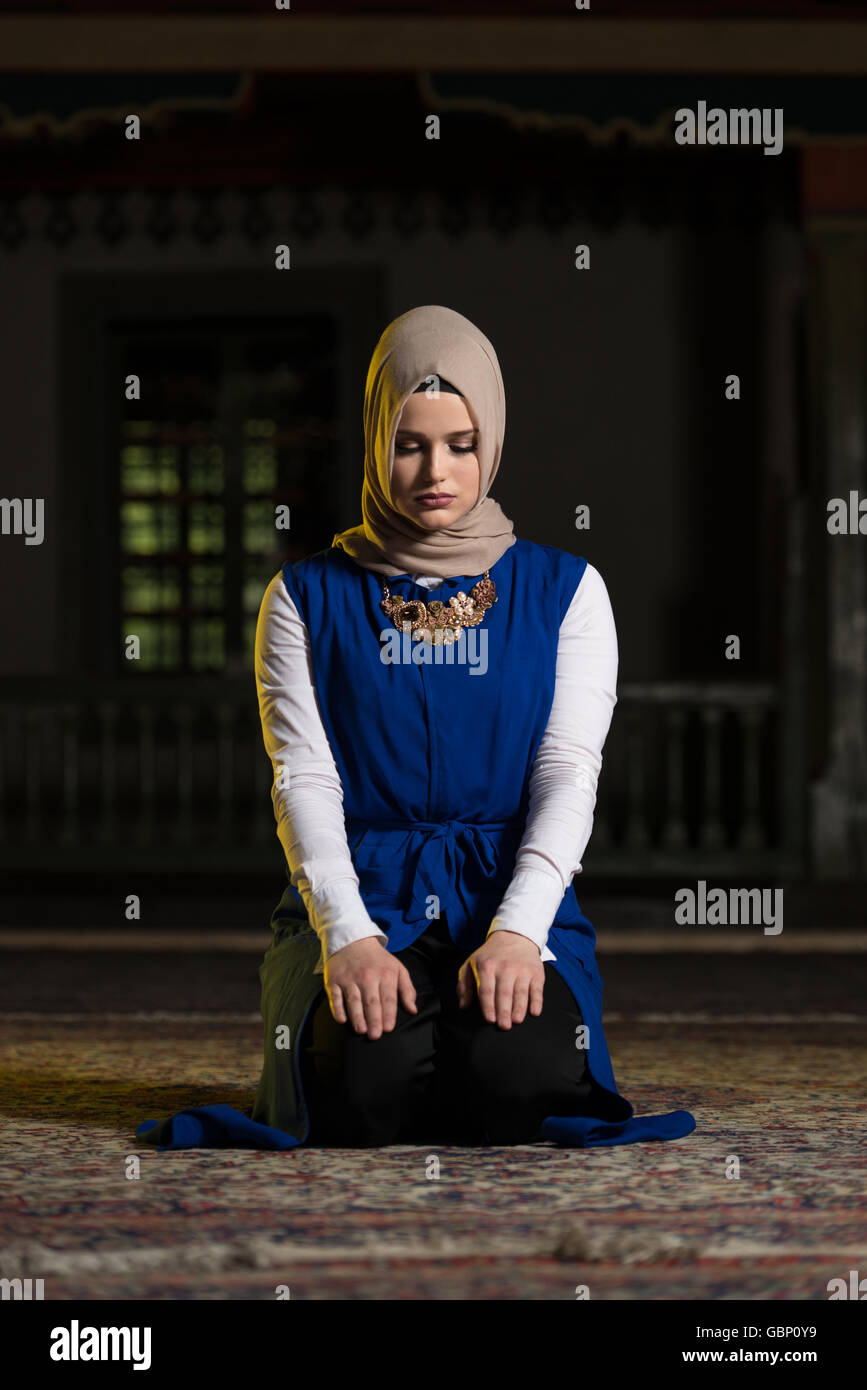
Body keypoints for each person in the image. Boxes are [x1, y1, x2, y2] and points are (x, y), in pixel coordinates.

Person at [137, 305, 695, 1152]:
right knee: (359, 1094)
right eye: (409, 444)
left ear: (492, 443)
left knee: (521, 1084)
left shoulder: (567, 590)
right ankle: (412, 1049)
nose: (436, 471)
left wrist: (518, 929)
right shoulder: (304, 597)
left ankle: (463, 1052)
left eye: (461, 445)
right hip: (362, 888)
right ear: (373, 441)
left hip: (506, 892)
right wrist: (348, 936)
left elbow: (564, 773)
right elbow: (305, 778)